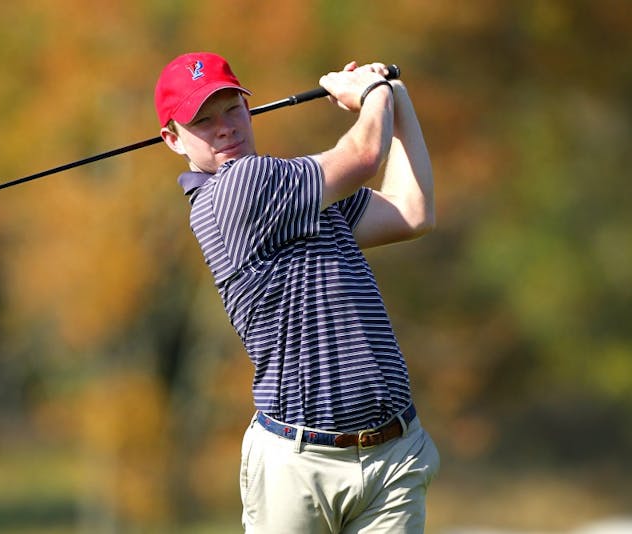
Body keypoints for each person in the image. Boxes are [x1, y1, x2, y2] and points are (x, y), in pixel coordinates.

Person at [155, 51, 439, 533]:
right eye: (202, 121)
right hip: (299, 465)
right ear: (172, 140)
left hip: (392, 452)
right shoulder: (238, 190)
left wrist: (396, 97)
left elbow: (411, 212)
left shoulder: (300, 193)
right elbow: (365, 156)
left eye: (231, 109)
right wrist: (370, 95)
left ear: (249, 107)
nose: (224, 127)